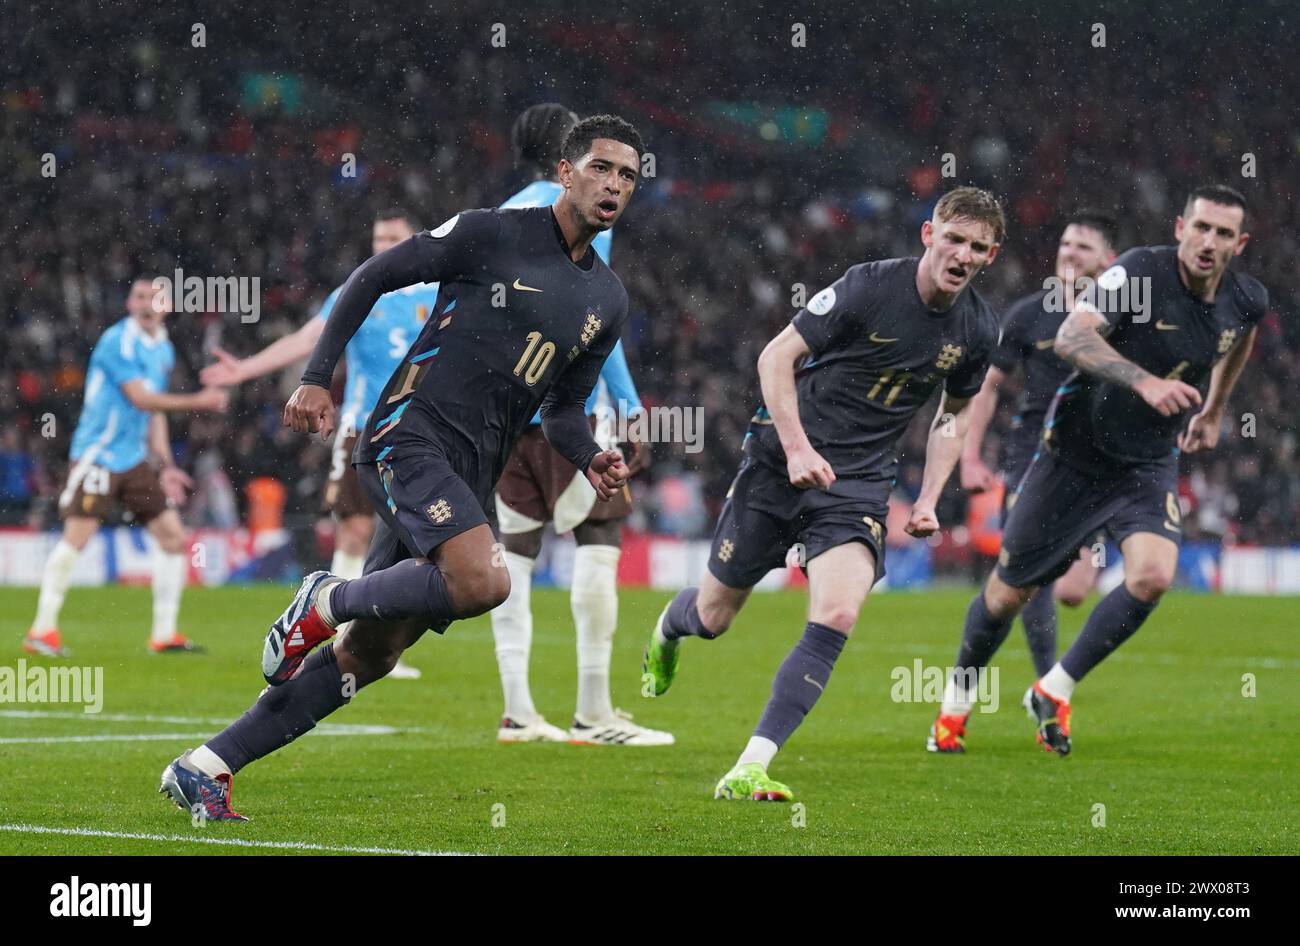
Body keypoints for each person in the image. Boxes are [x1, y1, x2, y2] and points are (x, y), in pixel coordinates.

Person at [159, 115, 646, 821]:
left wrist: (590, 455)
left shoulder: (608, 299)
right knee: (483, 581)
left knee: (373, 654)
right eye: (602, 168)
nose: (615, 185)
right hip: (406, 435)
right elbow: (373, 276)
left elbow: (564, 411)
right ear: (566, 172)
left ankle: (205, 766)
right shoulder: (490, 232)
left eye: (628, 176)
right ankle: (325, 597)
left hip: (471, 470)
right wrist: (318, 375)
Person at [642, 187, 1004, 801]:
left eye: (977, 246)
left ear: (990, 256)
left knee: (838, 611)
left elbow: (954, 415)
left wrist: (928, 499)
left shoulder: (977, 329)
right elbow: (775, 357)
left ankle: (751, 764)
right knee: (714, 616)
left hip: (857, 484)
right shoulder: (868, 287)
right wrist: (798, 448)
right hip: (778, 464)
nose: (962, 253)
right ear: (928, 235)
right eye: (953, 238)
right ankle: (668, 629)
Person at [936, 185, 1265, 756]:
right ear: (1179, 227)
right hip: (1073, 454)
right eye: (1200, 228)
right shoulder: (1138, 273)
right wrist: (1143, 380)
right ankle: (955, 705)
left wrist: (1213, 410)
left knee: (1153, 576)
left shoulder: (1246, 298)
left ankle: (1052, 688)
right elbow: (1072, 334)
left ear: (1240, 243)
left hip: (1147, 462)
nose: (1208, 242)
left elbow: (1241, 337)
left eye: (1222, 233)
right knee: (1008, 594)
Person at [490, 103, 666, 746]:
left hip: (509, 410)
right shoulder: (579, 207)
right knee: (600, 536)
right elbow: (593, 321)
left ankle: (517, 711)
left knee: (517, 554)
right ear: (568, 158)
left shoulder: (507, 209)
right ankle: (594, 713)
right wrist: (628, 406)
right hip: (569, 408)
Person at [201, 210, 434, 679]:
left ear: (413, 240)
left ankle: (377, 640)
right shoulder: (360, 287)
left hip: (420, 431)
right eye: (377, 236)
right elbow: (308, 339)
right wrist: (245, 370)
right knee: (353, 528)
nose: (383, 243)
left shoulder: (435, 292)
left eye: (393, 236)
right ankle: (341, 635)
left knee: (409, 541)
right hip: (362, 429)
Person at [931, 212, 1118, 752]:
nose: (1069, 252)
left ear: (1108, 261)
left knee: (1077, 591)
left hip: (1100, 469)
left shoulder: (1122, 319)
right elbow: (984, 388)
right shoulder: (1029, 315)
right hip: (1033, 463)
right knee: (1021, 586)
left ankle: (1044, 689)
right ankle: (1039, 706)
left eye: (1083, 245)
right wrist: (969, 457)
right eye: (1064, 242)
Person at [25, 278, 227, 656]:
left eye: (155, 298)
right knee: (77, 537)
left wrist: (165, 464)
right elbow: (139, 398)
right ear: (128, 304)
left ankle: (164, 635)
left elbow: (154, 412)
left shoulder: (162, 347)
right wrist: (199, 400)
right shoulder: (117, 341)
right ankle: (42, 631)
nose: (147, 304)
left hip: (134, 459)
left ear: (166, 306)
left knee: (173, 538)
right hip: (98, 454)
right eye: (139, 297)